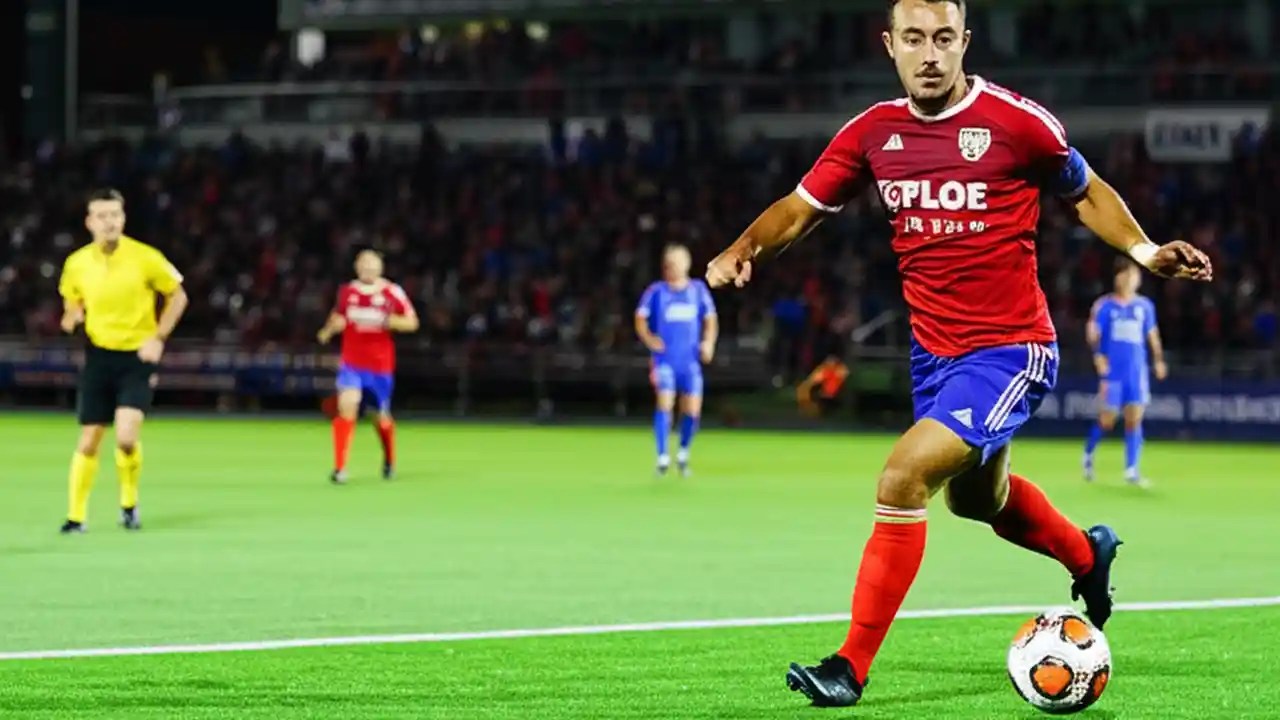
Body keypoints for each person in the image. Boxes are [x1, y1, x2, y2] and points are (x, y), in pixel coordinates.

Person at [704, 0, 1213, 707]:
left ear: (965, 41)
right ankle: (1085, 552)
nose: (930, 53)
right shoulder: (872, 133)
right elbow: (799, 209)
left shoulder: (1018, 123)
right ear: (890, 45)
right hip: (934, 357)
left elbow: (1085, 190)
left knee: (902, 479)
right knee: (979, 501)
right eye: (914, 39)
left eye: (944, 38)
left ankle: (850, 666)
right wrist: (743, 247)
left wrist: (1146, 250)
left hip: (1011, 350)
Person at [57, 188, 189, 534]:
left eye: (115, 214)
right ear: (89, 222)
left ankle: (129, 504)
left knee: (126, 438)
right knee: (89, 439)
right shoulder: (77, 263)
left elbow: (178, 295)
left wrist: (158, 338)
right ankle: (76, 517)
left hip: (136, 357)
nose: (110, 222)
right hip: (99, 355)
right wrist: (71, 316)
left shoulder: (145, 257)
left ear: (124, 218)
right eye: (102, 216)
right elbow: (72, 300)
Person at [317, 250, 419, 484]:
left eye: (372, 264)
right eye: (364, 264)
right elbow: (338, 317)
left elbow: (412, 322)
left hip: (380, 366)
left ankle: (389, 459)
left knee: (380, 417)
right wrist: (329, 330)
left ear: (380, 268)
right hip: (352, 363)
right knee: (347, 406)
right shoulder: (347, 292)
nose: (368, 269)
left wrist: (390, 321)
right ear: (357, 267)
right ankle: (340, 468)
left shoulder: (392, 292)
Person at [634, 244, 719, 476]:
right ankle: (662, 455)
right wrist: (649, 339)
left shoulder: (697, 290)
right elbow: (640, 318)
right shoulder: (656, 292)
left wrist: (708, 343)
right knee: (665, 403)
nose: (672, 268)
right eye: (669, 263)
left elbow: (711, 319)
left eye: (677, 263)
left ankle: (683, 452)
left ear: (686, 265)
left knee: (692, 410)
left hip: (690, 361)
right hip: (665, 360)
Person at [1083, 259, 1167, 487]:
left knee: (1134, 419)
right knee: (1107, 419)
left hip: (1136, 372)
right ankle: (1088, 455)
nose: (1128, 280)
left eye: (1133, 276)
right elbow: (1094, 333)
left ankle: (1132, 469)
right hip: (1113, 373)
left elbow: (1152, 335)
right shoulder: (1105, 306)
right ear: (1116, 278)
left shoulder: (1144, 306)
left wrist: (1159, 360)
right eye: (1124, 275)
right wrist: (1097, 356)